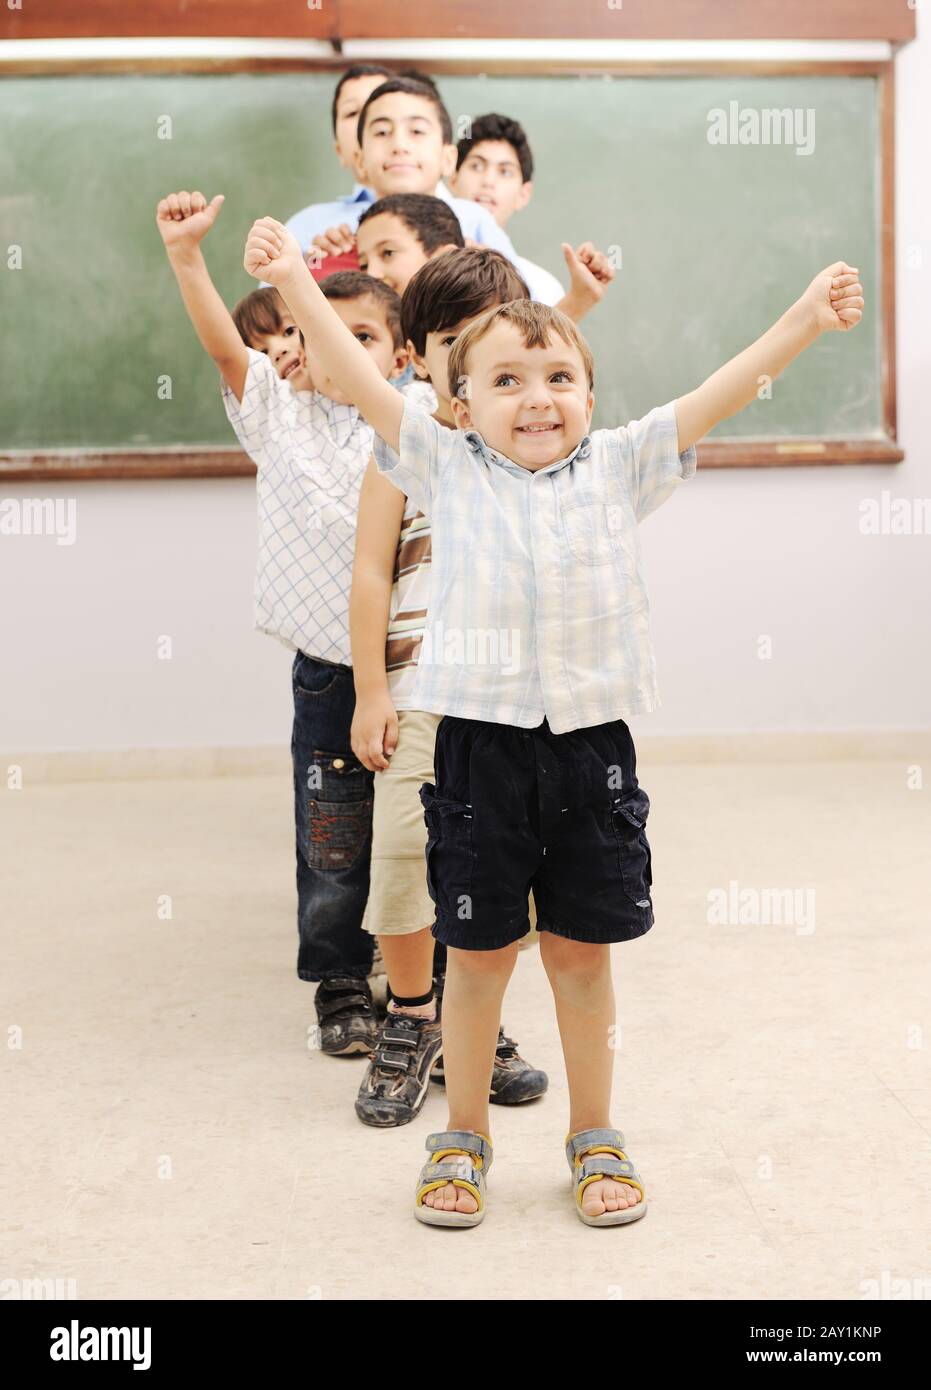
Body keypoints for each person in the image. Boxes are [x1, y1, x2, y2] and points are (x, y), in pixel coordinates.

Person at [242, 210, 864, 1228]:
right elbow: (360, 384)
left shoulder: (619, 465)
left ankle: (593, 1133)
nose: (537, 399)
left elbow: (716, 393)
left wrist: (802, 316)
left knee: (582, 956)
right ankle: (464, 1138)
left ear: (589, 393)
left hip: (592, 754)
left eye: (559, 379)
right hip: (479, 750)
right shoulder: (440, 465)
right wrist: (291, 282)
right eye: (505, 381)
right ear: (455, 400)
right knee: (478, 959)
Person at [156, 188, 413, 1057]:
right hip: (328, 671)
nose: (328, 350)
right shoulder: (279, 411)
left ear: (404, 357)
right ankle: (341, 979)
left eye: (360, 337)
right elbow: (226, 347)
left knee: (424, 826)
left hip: (419, 669)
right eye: (307, 331)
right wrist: (188, 256)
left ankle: (427, 975)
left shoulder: (414, 426)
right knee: (333, 836)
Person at [449, 112, 566, 306]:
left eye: (505, 172)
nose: (488, 181)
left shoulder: (545, 288)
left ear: (523, 195)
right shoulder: (416, 258)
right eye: (476, 166)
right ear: (453, 179)